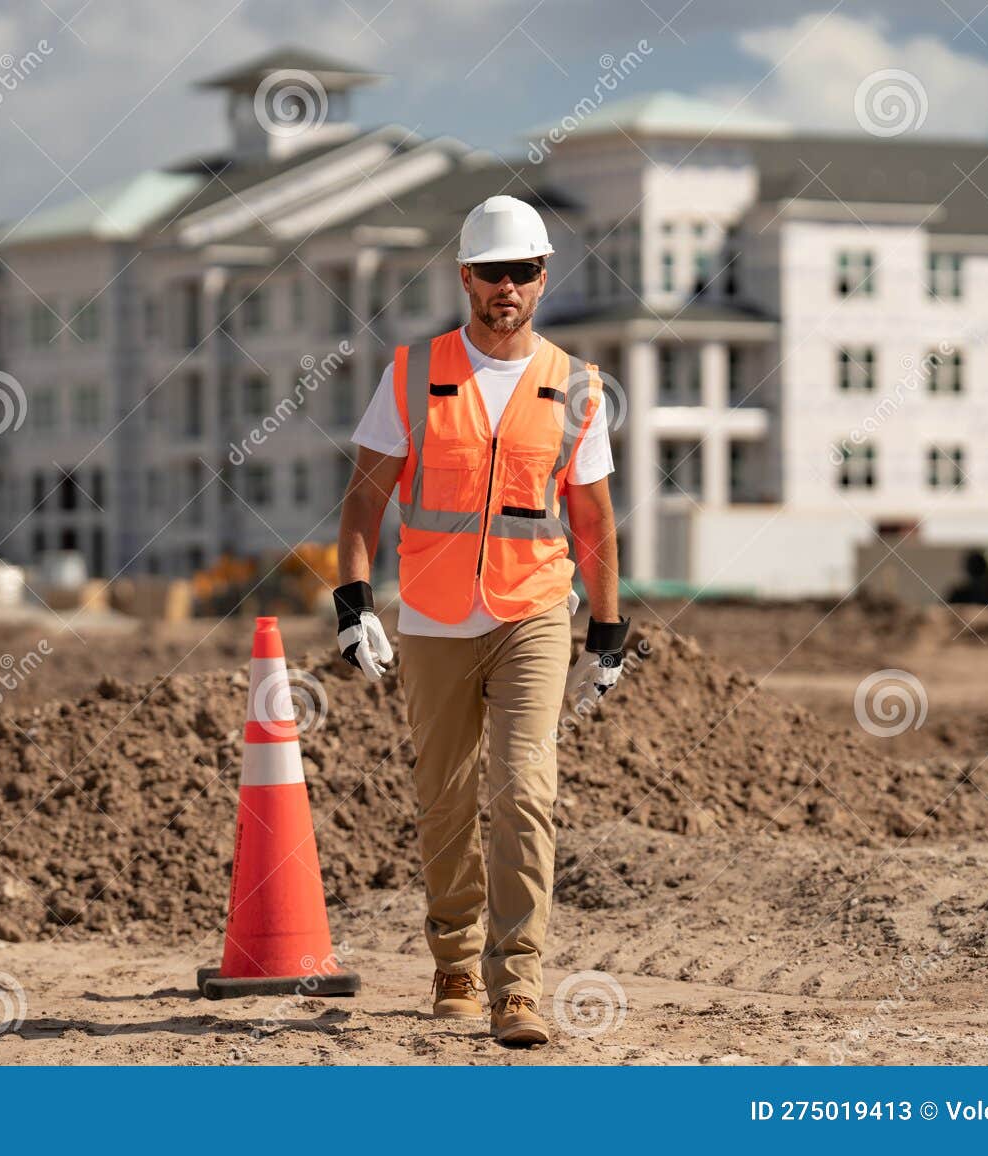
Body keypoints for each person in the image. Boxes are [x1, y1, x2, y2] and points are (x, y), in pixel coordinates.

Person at [333, 194, 630, 1046]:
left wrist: (608, 633)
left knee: (526, 792)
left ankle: (519, 982)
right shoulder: (412, 372)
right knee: (445, 799)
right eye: (493, 271)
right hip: (431, 617)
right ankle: (456, 960)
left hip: (532, 611)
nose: (509, 286)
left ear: (544, 278)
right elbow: (363, 503)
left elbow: (595, 520)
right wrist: (353, 604)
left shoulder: (577, 386)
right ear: (464, 275)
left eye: (524, 271)